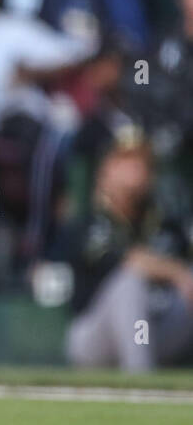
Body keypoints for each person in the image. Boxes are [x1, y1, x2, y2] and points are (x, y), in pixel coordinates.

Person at [59, 139, 193, 370]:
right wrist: (176, 272)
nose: (135, 170)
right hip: (97, 337)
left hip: (157, 330)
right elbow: (131, 262)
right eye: (125, 162)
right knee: (130, 283)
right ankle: (140, 381)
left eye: (140, 163)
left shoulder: (164, 221)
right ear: (106, 171)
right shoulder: (88, 223)